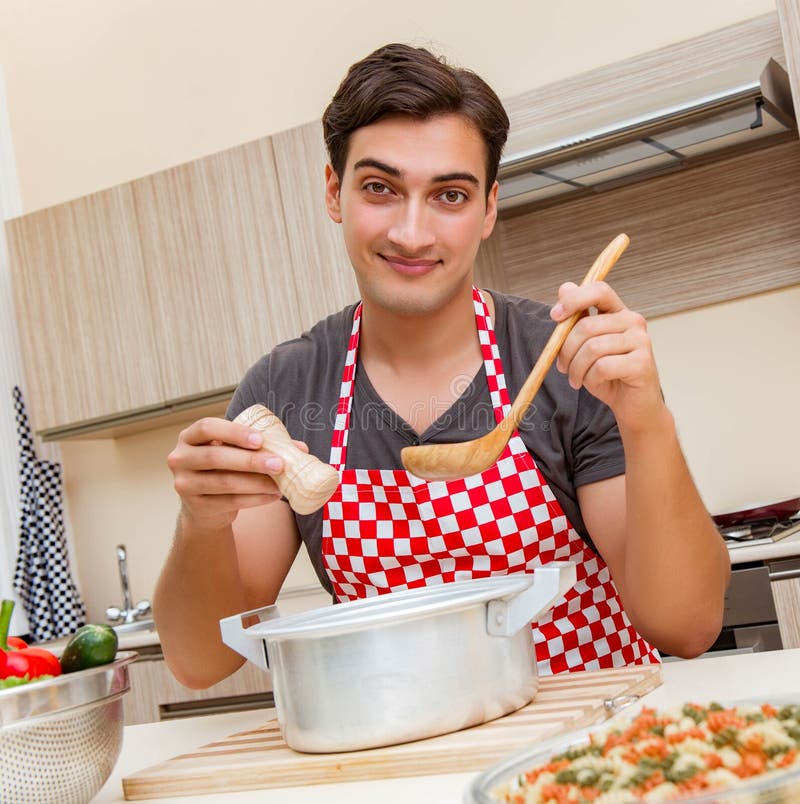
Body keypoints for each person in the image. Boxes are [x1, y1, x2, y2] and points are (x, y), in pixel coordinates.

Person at [154, 43, 730, 689]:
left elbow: (687, 625)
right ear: (333, 192)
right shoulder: (287, 389)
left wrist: (647, 420)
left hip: (589, 753)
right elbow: (201, 663)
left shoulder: (564, 359)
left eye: (449, 196)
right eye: (380, 188)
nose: (411, 232)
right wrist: (200, 522)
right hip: (404, 762)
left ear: (487, 209)